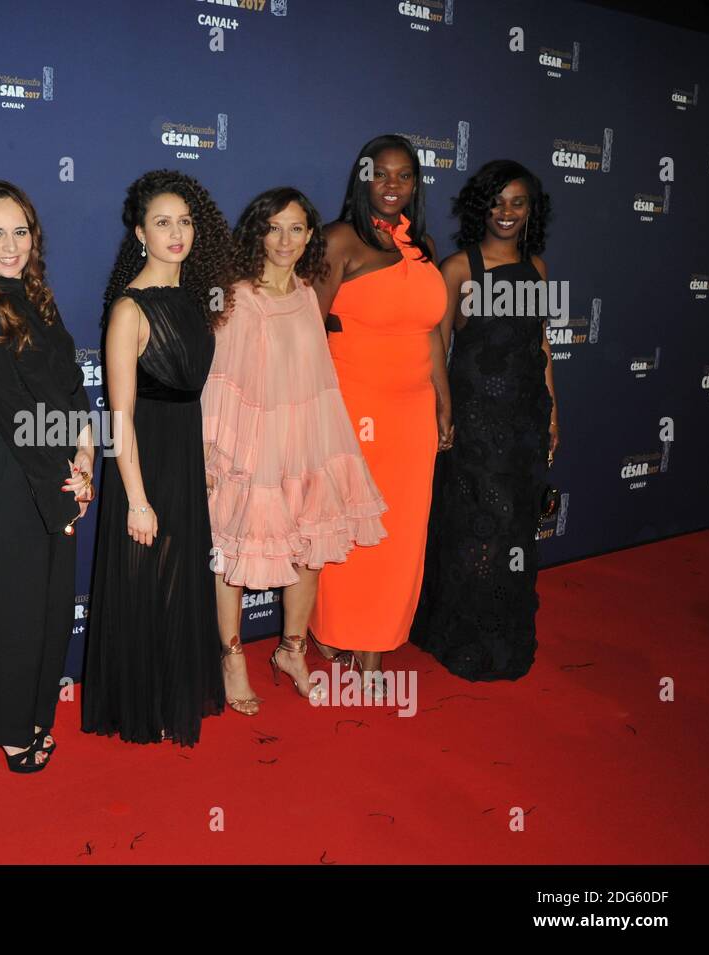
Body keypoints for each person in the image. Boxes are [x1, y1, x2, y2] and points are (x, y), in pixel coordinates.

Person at [203, 188, 387, 712]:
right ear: (257, 233)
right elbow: (220, 381)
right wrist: (215, 452)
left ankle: (292, 650)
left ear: (310, 236)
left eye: (297, 228)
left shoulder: (308, 293)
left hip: (306, 441)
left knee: (311, 548)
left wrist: (330, 447)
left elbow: (320, 378)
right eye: (274, 227)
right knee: (233, 554)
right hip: (251, 447)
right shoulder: (238, 297)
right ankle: (232, 658)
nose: (285, 240)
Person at [82, 169, 233, 746]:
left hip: (183, 457)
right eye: (163, 223)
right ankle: (143, 705)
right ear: (140, 234)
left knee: (178, 581)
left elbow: (188, 393)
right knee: (147, 581)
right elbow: (120, 416)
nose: (177, 233)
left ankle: (173, 696)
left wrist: (204, 453)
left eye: (185, 222)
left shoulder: (191, 300)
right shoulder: (130, 309)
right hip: (142, 465)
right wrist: (137, 501)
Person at [0, 181, 93, 772]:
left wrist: (85, 457)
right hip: (9, 472)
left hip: (56, 463)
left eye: (21, 231)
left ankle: (38, 713)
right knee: (14, 607)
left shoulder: (36, 296)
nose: (11, 245)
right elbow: (14, 413)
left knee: (52, 605)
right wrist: (66, 483)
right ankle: (10, 731)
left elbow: (70, 383)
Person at [310, 135, 450, 701]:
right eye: (381, 173)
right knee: (354, 525)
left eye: (405, 175)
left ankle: (376, 638)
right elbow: (308, 330)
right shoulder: (339, 241)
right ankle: (339, 630)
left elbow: (430, 332)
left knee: (402, 531)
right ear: (362, 177)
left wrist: (443, 398)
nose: (393, 185)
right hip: (355, 405)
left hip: (413, 410)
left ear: (416, 184)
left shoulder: (423, 246)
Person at [411, 160, 558, 680]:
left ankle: (501, 627)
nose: (506, 212)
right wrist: (444, 412)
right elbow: (437, 349)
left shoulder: (537, 268)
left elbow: (540, 344)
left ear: (531, 210)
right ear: (482, 208)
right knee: (474, 526)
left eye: (517, 202)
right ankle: (461, 632)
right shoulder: (458, 268)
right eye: (497, 202)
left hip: (525, 421)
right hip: (476, 423)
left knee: (515, 526)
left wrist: (552, 412)